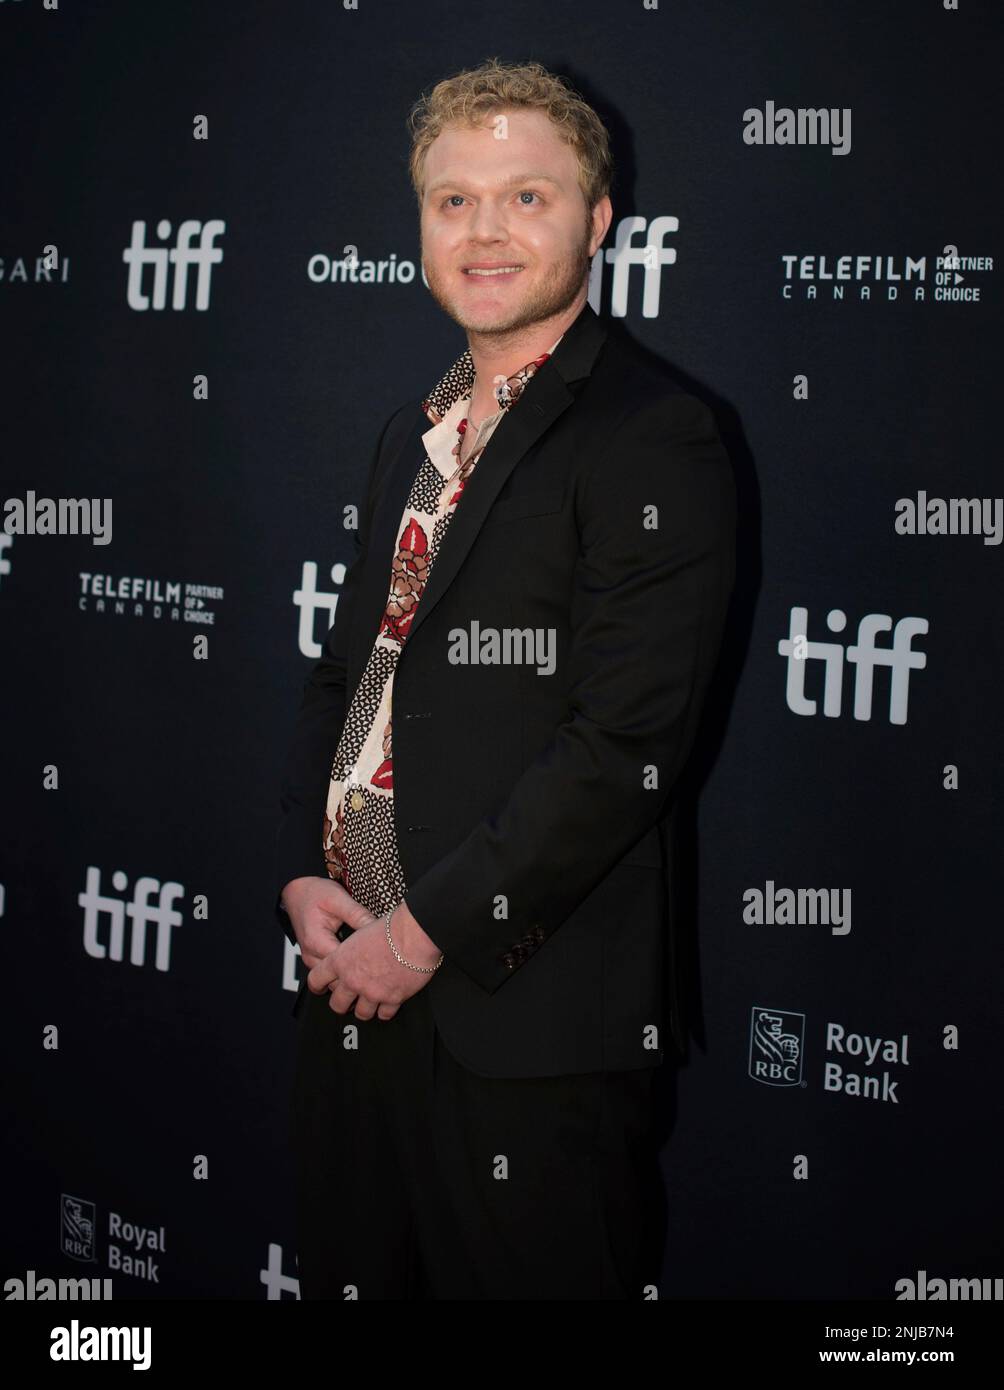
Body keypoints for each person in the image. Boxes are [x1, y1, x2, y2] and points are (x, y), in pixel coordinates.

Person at [273, 57, 736, 1300]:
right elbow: (349, 674)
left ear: (595, 221)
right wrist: (304, 871)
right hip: (349, 995)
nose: (484, 231)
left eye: (526, 197)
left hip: (524, 1025)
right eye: (453, 199)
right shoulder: (408, 431)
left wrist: (418, 936)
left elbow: (621, 744)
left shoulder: (654, 434)